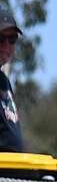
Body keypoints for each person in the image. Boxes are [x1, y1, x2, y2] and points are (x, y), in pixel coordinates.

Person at [0, 9, 23, 153]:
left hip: (14, 170)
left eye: (12, 40)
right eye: (1, 39)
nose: (7, 46)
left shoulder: (4, 81)